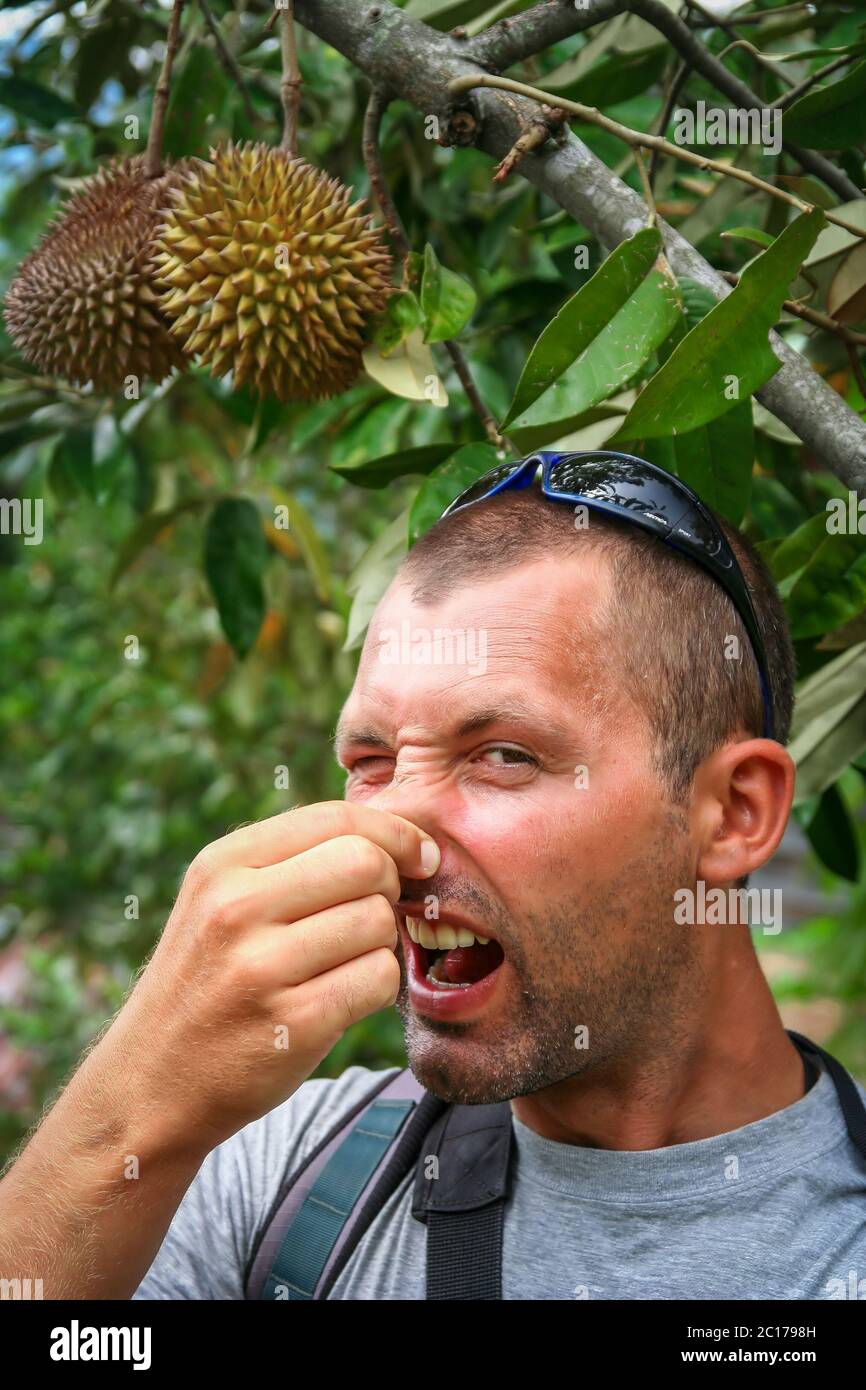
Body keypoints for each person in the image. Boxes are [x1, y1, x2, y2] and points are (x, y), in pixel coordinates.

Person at [1, 452, 864, 1301]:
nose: (389, 827)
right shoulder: (278, 1184)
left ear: (735, 812)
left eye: (503, 755)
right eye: (372, 760)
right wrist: (132, 1110)